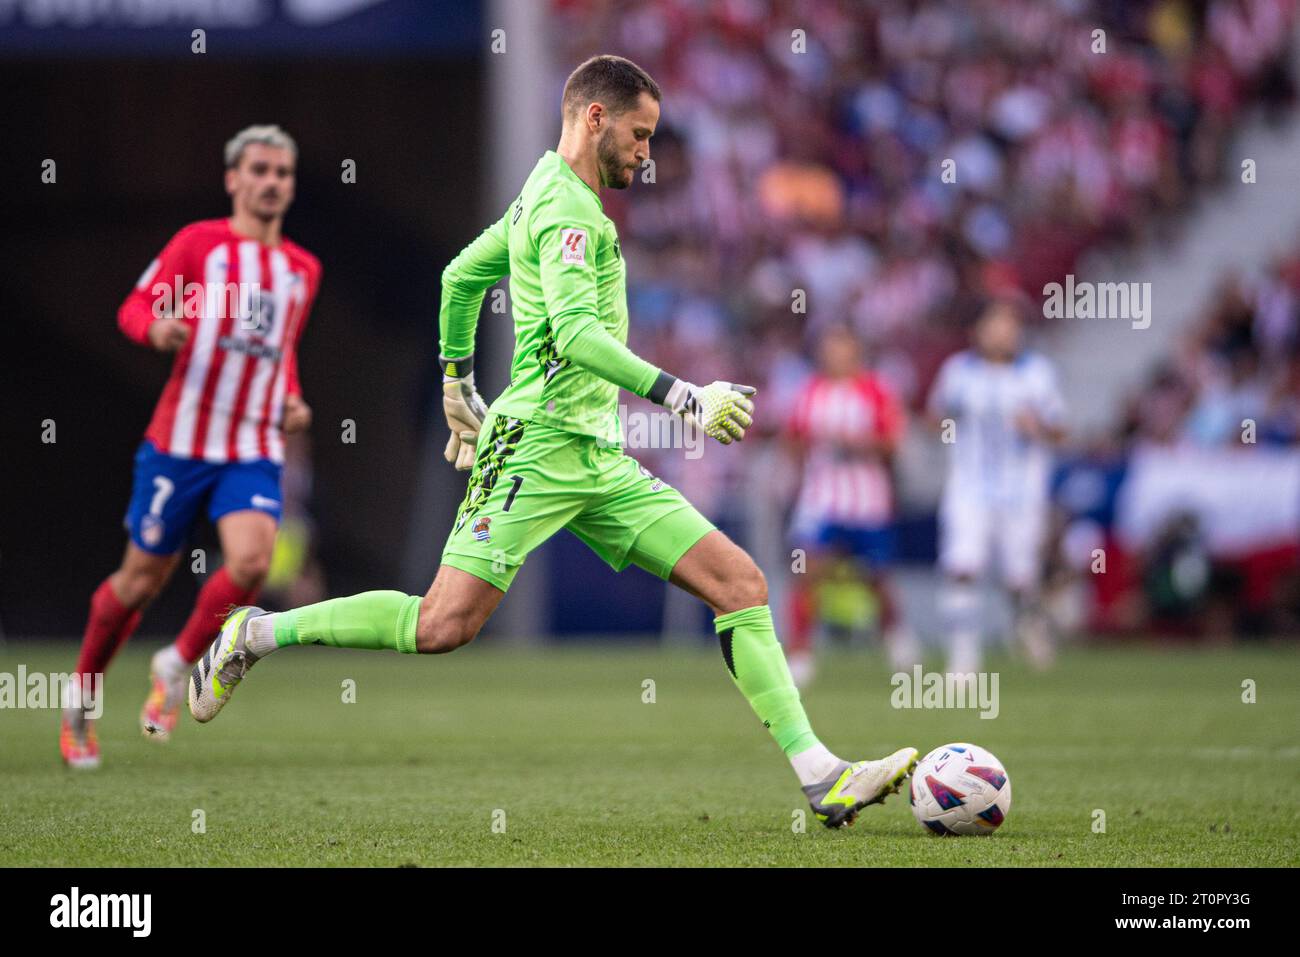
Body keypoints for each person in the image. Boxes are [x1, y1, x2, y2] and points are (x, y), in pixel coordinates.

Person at [189, 55, 915, 828]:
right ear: (595, 118)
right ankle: (254, 632)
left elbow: (460, 279)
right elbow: (571, 333)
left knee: (740, 584)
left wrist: (456, 382)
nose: (646, 152)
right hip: (534, 447)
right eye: (639, 135)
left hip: (596, 457)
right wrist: (683, 395)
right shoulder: (568, 211)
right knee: (442, 626)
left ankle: (820, 776)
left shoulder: (543, 194)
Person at [61, 125, 320, 768]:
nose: (270, 182)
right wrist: (157, 329)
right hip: (179, 444)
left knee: (254, 562)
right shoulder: (198, 246)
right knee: (138, 582)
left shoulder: (300, 271)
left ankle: (175, 667)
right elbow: (133, 308)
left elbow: (280, 352)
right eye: (258, 170)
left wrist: (291, 398)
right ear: (234, 179)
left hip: (252, 442)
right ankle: (80, 701)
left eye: (282, 173)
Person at [927, 299, 1066, 674]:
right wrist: (946, 423)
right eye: (995, 325)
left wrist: (1036, 426)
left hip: (1022, 493)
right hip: (968, 487)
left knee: (1019, 579)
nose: (1003, 334)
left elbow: (1060, 430)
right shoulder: (958, 372)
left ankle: (1030, 624)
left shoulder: (1036, 373)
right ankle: (963, 659)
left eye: (1009, 326)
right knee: (962, 566)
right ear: (979, 331)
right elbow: (933, 421)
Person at [783, 325, 919, 686]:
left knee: (876, 578)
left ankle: (895, 635)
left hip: (866, 501)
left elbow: (893, 443)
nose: (833, 355)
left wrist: (858, 444)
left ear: (855, 351)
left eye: (840, 347)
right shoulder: (810, 391)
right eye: (828, 348)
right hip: (820, 499)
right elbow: (793, 440)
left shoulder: (874, 390)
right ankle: (800, 652)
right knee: (806, 572)